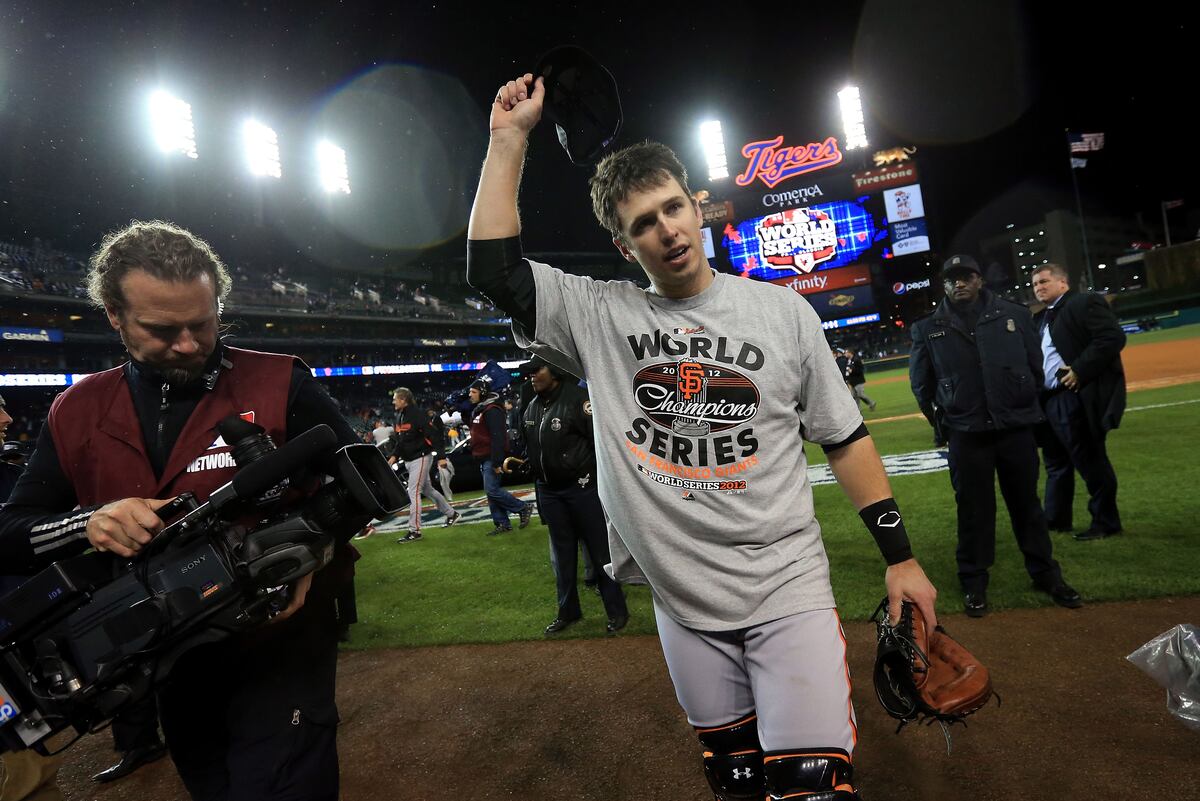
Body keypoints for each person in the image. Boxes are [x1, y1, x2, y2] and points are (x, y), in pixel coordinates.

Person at [466, 72, 938, 801]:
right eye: (645, 224)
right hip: (684, 603)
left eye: (674, 208)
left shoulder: (782, 313)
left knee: (810, 789)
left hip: (786, 586)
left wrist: (900, 559)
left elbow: (844, 439)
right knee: (737, 784)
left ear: (696, 207)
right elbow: (493, 272)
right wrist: (507, 140)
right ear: (626, 247)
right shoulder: (600, 316)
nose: (668, 230)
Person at [0, 220, 363, 801]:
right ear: (115, 316)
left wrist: (310, 552)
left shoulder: (279, 381)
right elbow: (10, 530)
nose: (191, 345)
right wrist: (88, 522)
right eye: (163, 330)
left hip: (278, 643)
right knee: (213, 785)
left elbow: (368, 483)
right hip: (164, 656)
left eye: (204, 323)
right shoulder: (75, 410)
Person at [909, 254, 1082, 618]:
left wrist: (1019, 407)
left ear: (979, 279)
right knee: (973, 510)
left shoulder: (1015, 314)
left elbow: (1035, 369)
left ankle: (1045, 574)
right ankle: (973, 579)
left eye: (966, 276)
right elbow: (921, 386)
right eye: (952, 278)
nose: (959, 284)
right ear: (944, 284)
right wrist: (943, 422)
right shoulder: (927, 327)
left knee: (1027, 507)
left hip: (1014, 428)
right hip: (966, 433)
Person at [517, 355, 629, 635]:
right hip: (550, 491)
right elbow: (534, 448)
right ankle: (568, 611)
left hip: (583, 488)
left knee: (600, 552)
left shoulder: (579, 400)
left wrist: (592, 478)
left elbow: (601, 444)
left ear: (554, 370)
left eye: (536, 370)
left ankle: (617, 611)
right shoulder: (531, 407)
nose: (531, 376)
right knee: (563, 555)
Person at [1031, 263, 1126, 541]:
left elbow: (1112, 337)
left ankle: (1106, 522)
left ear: (1063, 283)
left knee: (1090, 461)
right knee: (1056, 464)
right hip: (1048, 401)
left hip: (1072, 397)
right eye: (1035, 284)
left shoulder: (1084, 302)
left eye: (1045, 281)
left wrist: (1081, 370)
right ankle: (1056, 520)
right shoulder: (1041, 318)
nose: (1039, 288)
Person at [389, 387, 459, 543]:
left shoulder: (417, 414)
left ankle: (414, 531)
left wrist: (441, 456)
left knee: (413, 492)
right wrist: (394, 455)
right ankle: (451, 514)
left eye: (395, 398)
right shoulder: (401, 415)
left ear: (403, 400)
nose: (393, 401)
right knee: (428, 490)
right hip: (409, 459)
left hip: (420, 458)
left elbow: (434, 434)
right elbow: (401, 440)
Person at [467, 377, 532, 536]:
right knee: (491, 491)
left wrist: (496, 461)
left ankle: (522, 508)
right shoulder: (482, 409)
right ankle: (502, 523)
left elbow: (498, 436)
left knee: (492, 490)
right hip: (484, 456)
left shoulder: (492, 410)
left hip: (491, 456)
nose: (470, 394)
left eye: (473, 392)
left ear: (482, 393)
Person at [426, 407, 456, 502]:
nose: (431, 413)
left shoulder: (436, 419)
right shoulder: (428, 421)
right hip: (432, 451)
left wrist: (441, 456)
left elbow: (438, 436)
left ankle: (445, 498)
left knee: (444, 477)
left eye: (431, 411)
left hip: (437, 451)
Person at [842, 347, 876, 412]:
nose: (845, 354)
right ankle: (858, 410)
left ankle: (872, 403)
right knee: (854, 396)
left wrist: (852, 370)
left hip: (858, 381)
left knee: (860, 394)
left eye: (846, 353)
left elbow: (860, 370)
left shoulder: (856, 360)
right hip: (852, 381)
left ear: (850, 353)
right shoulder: (849, 360)